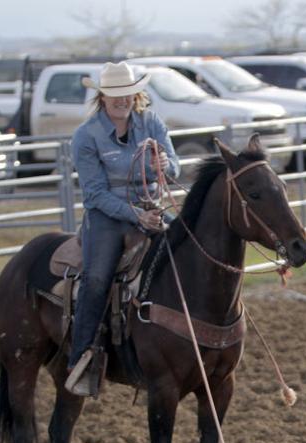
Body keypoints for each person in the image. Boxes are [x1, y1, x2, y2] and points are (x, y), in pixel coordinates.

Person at [65, 61, 180, 396]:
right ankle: (81, 354)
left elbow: (173, 168)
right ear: (102, 97)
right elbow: (95, 194)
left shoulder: (151, 122)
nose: (122, 100)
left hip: (151, 207)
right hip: (107, 217)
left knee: (186, 251)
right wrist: (134, 215)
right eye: (115, 95)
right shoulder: (86, 136)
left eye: (127, 94)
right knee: (97, 277)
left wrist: (165, 164)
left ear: (136, 94)